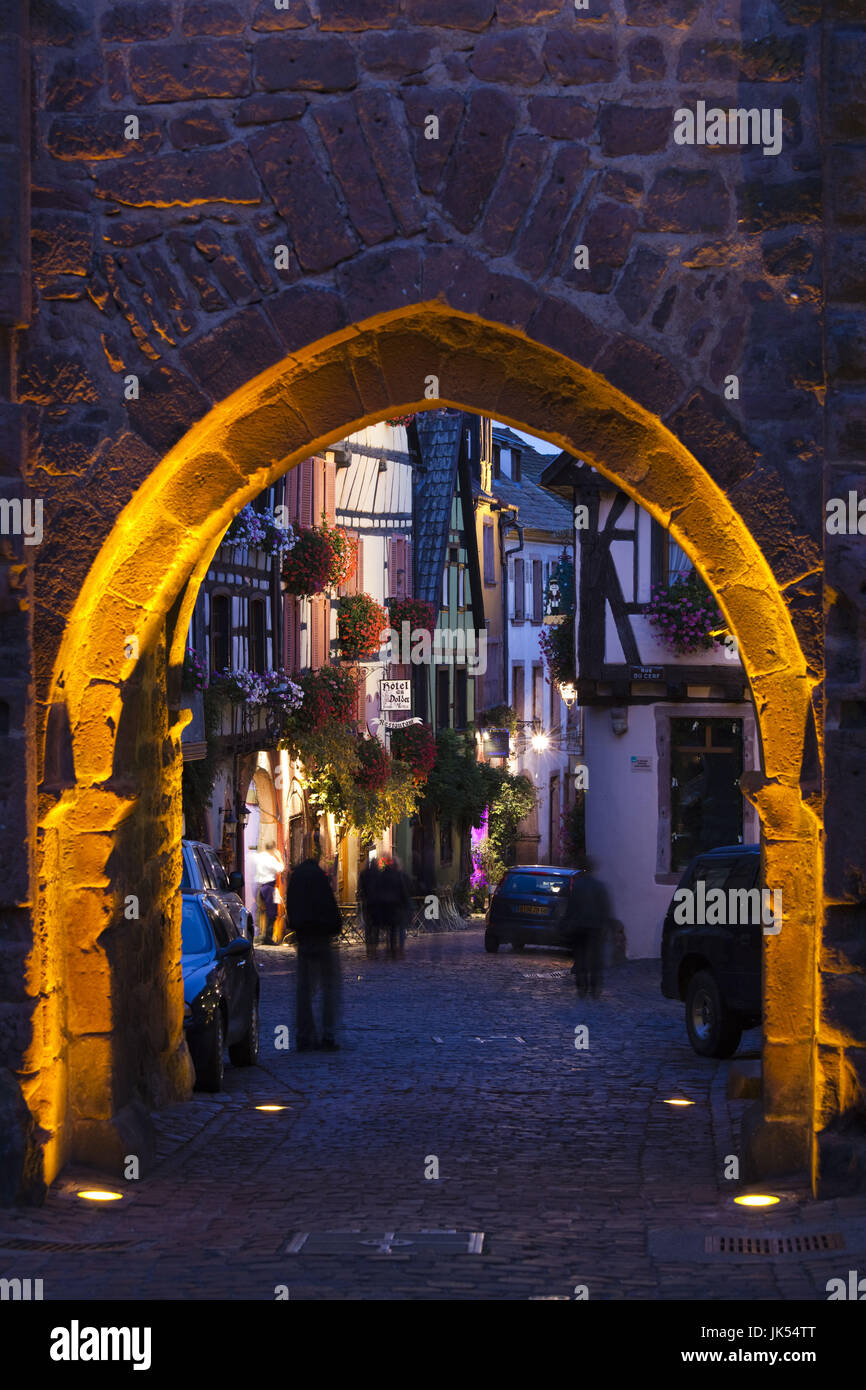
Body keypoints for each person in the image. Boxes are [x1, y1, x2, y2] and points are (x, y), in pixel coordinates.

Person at [284, 849, 342, 1051]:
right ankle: (328, 1035)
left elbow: (291, 909)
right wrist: (335, 926)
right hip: (322, 938)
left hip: (304, 938)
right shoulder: (319, 878)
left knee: (304, 990)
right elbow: (329, 906)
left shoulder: (296, 880)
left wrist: (297, 928)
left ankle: (304, 1035)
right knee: (329, 987)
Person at [567, 856, 612, 999]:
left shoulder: (577, 886)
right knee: (595, 958)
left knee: (580, 957)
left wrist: (567, 921)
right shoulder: (599, 886)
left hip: (579, 926)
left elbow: (571, 907)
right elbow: (605, 907)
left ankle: (582, 986)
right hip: (595, 927)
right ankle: (595, 986)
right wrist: (606, 924)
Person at [377, 853, 412, 959]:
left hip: (387, 906)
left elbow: (380, 890)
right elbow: (404, 890)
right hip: (398, 905)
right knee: (400, 928)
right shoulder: (399, 875)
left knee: (391, 929)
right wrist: (407, 903)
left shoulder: (383, 875)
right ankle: (400, 950)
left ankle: (391, 949)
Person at [253, 841, 284, 945]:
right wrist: (279, 857)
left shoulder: (259, 857)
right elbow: (280, 868)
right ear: (273, 849)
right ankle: (268, 937)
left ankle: (259, 934)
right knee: (272, 912)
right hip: (269, 886)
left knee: (260, 911)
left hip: (260, 886)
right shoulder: (271, 859)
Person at [358, 852, 382, 959]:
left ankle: (368, 947)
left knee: (368, 926)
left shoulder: (363, 874)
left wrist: (362, 897)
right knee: (376, 926)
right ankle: (374, 947)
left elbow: (360, 888)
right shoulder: (379, 874)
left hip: (367, 903)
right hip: (377, 904)